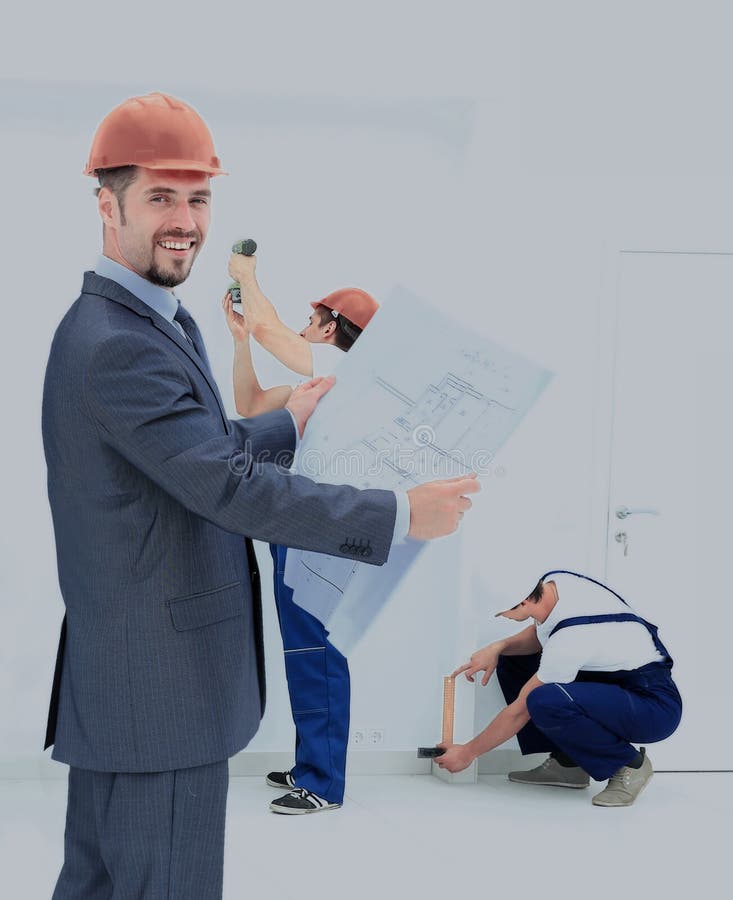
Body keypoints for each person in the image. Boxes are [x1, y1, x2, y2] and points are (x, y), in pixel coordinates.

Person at [42, 91, 480, 900]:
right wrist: (399, 515)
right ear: (107, 204)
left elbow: (187, 457)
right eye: (161, 197)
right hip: (161, 695)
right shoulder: (119, 345)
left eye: (199, 197)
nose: (187, 220)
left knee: (101, 886)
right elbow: (229, 490)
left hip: (130, 688)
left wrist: (291, 421)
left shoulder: (146, 322)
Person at [222, 260, 378, 814]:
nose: (302, 327)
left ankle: (323, 782)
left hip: (321, 530)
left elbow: (272, 330)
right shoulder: (318, 383)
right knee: (303, 647)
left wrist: (247, 274)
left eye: (312, 319)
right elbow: (249, 405)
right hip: (295, 523)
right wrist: (240, 342)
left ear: (333, 326)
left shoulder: (348, 374)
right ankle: (310, 762)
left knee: (316, 648)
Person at [436, 569, 682, 807]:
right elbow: (542, 633)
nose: (503, 617)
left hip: (653, 707)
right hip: (619, 683)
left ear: (523, 602)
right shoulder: (555, 583)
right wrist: (497, 647)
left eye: (502, 613)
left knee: (544, 700)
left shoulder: (571, 641)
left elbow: (519, 711)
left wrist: (468, 753)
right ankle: (568, 763)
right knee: (514, 659)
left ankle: (630, 765)